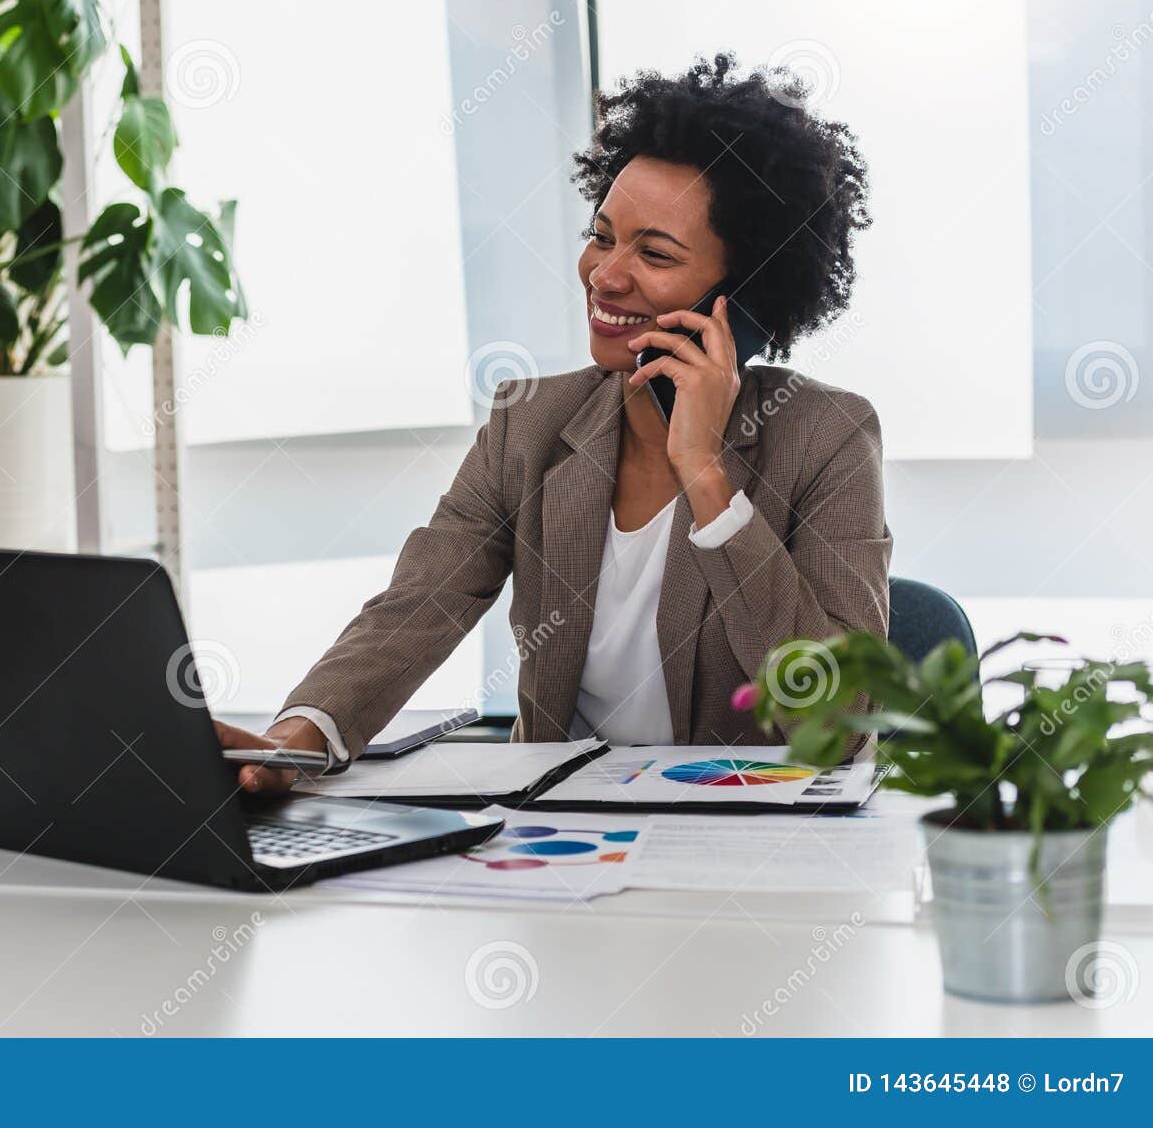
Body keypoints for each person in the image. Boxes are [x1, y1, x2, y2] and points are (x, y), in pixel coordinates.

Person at [217, 52, 890, 793]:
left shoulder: (825, 439)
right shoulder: (530, 423)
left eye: (654, 253)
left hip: (743, 851)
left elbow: (841, 725)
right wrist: (293, 742)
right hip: (557, 842)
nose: (605, 274)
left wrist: (704, 472)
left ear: (745, 296)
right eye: (602, 236)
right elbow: (416, 608)